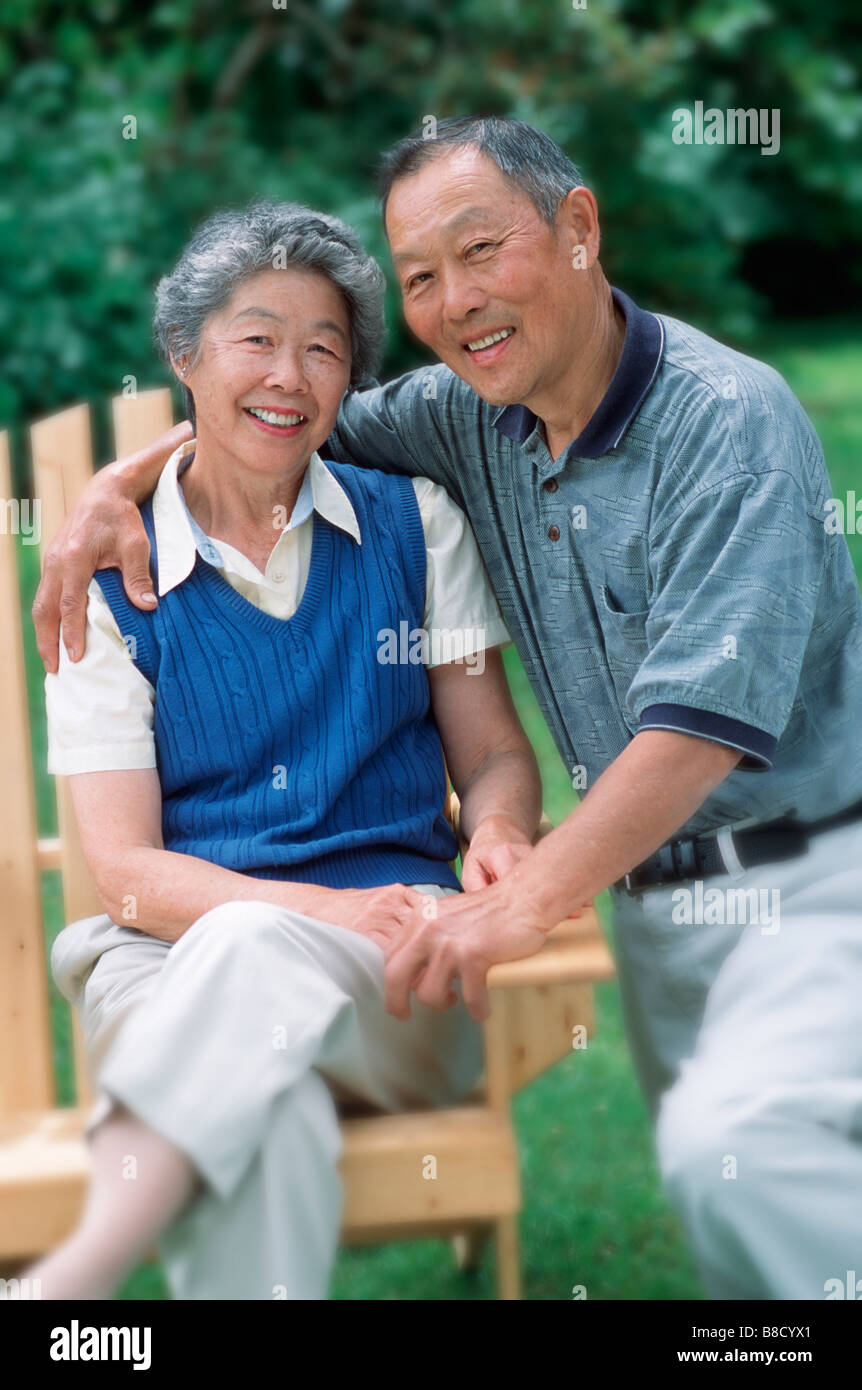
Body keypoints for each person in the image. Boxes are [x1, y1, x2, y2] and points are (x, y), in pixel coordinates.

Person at [33, 116, 862, 1301]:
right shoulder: (468, 415)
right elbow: (265, 423)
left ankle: (68, 1286)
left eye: (480, 252)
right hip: (643, 901)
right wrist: (113, 487)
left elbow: (690, 736)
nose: (454, 299)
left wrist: (513, 876)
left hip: (803, 870)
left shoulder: (725, 424)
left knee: (748, 1166)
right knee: (743, 1209)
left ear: (578, 228)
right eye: (421, 277)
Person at [21, 197, 548, 1301]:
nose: (289, 375)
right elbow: (123, 876)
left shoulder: (415, 527)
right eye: (256, 339)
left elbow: (493, 753)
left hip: (394, 976)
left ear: (349, 379)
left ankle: (72, 1280)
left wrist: (496, 829)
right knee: (273, 1108)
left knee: (259, 970)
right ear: (185, 355)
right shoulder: (109, 585)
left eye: (322, 349)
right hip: (164, 969)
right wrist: (316, 912)